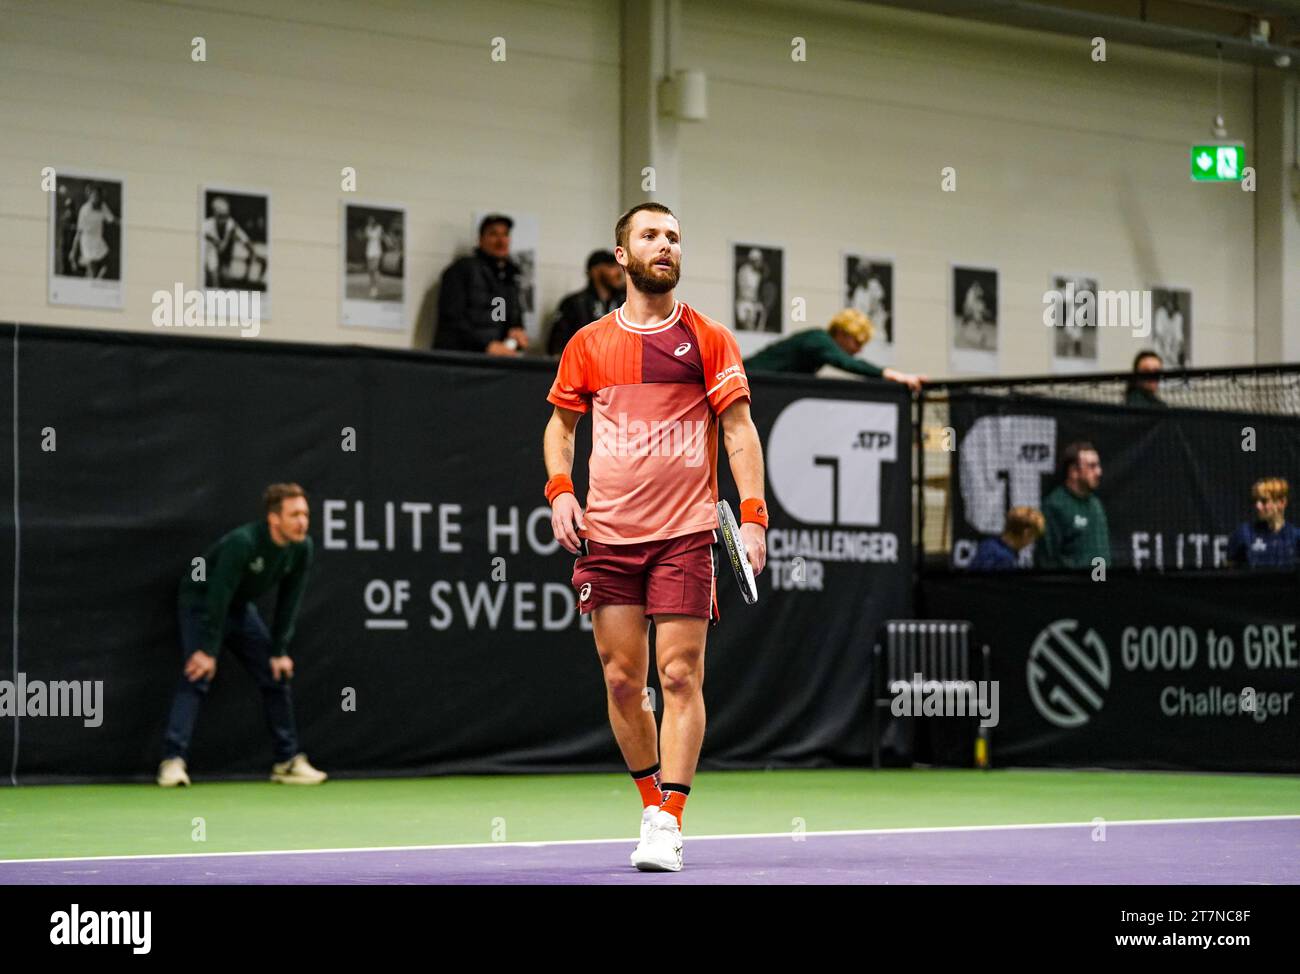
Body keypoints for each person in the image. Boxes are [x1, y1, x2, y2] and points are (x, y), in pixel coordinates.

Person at [543, 202, 767, 873]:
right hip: (608, 538)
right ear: (623, 256)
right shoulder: (586, 344)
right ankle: (648, 802)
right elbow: (560, 431)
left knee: (678, 674)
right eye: (650, 235)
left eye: (673, 236)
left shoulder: (708, 339)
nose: (665, 244)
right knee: (620, 682)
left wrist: (752, 515)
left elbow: (738, 432)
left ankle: (671, 816)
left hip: (683, 535)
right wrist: (561, 492)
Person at [157, 484, 325, 787]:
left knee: (275, 675)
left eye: (305, 514)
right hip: (201, 601)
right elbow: (218, 594)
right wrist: (207, 649)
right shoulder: (243, 542)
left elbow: (290, 600)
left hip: (238, 607)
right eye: (294, 515)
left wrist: (279, 650)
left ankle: (286, 762)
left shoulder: (302, 548)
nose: (303, 521)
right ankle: (173, 761)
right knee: (197, 674)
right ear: (274, 519)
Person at [744, 309, 924, 391]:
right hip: (746, 384)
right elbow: (847, 363)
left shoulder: (818, 342)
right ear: (841, 334)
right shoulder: (819, 340)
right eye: (857, 343)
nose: (858, 350)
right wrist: (889, 373)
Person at [432, 213, 529, 356]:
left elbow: (502, 318)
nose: (501, 241)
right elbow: (452, 320)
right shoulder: (461, 270)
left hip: (494, 363)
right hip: (461, 360)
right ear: (481, 239)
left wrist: (515, 330)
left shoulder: (509, 278)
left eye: (505, 235)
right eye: (494, 234)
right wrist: (486, 345)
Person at [1036, 441, 1111, 570]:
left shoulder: (1096, 505)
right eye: (1092, 466)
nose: (1099, 472)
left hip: (1101, 584)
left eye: (1098, 465)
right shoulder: (1054, 506)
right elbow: (1048, 560)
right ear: (1074, 471)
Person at [546, 249, 626, 356]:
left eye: (619, 266)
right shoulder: (573, 303)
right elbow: (556, 347)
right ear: (595, 271)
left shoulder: (624, 303)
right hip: (583, 367)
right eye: (611, 266)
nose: (618, 272)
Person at [1227, 477, 1300, 569]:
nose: (1258, 506)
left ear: (1281, 502)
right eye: (1255, 501)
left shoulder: (1296, 538)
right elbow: (1229, 575)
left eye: (1264, 501)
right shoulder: (1243, 534)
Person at [203, 196, 257, 288]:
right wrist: (228, 235)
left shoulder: (230, 223)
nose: (224, 220)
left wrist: (252, 253)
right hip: (209, 261)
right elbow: (219, 250)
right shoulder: (206, 227)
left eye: (226, 216)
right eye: (221, 216)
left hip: (223, 261)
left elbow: (246, 241)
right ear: (215, 214)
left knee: (225, 282)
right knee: (214, 282)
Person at [969, 506, 1045, 570]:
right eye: (1034, 536)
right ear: (1026, 534)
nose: (1032, 541)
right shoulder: (1005, 560)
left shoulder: (987, 544)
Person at [69, 183, 115, 279]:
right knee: (92, 271)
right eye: (93, 195)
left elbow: (111, 219)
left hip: (98, 240)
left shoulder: (103, 206)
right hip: (87, 242)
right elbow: (79, 232)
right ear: (89, 196)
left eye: (97, 195)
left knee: (108, 264)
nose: (95, 198)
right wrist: (73, 251)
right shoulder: (84, 210)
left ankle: (95, 281)